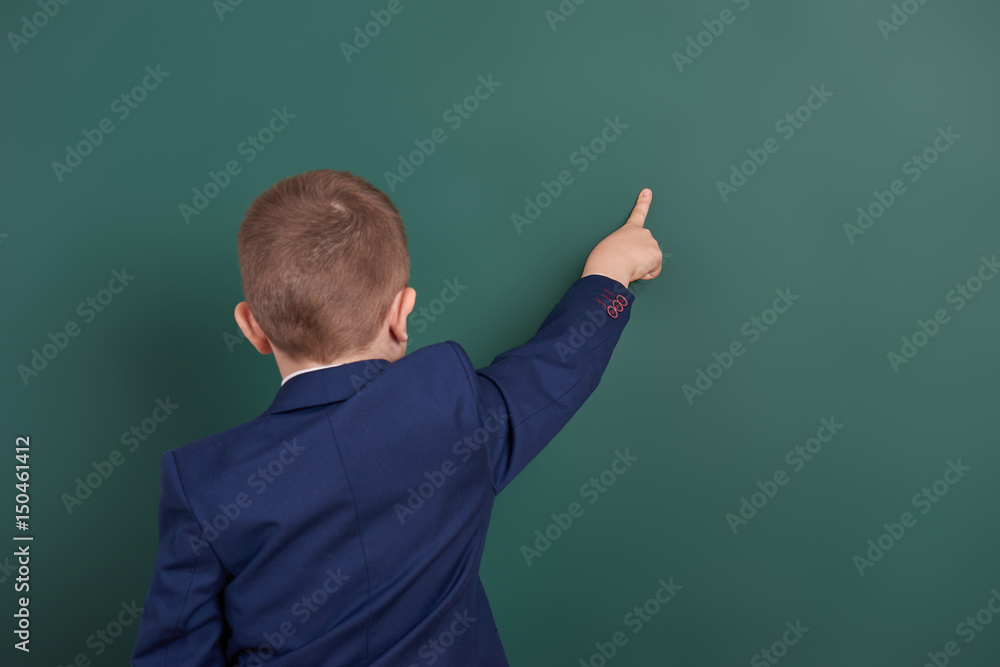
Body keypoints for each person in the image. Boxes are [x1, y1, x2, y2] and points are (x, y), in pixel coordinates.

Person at [132, 170, 662, 666]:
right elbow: (556, 368)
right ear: (401, 313)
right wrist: (610, 277)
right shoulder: (451, 411)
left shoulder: (204, 483)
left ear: (252, 327)